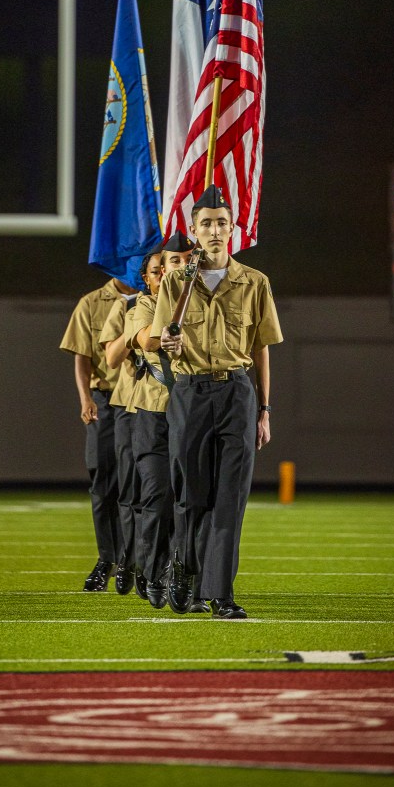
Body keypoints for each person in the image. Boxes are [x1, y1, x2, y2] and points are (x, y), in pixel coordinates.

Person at [149, 185, 283, 619]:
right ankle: (185, 572)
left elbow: (262, 348)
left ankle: (220, 593)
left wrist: (264, 409)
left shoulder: (255, 282)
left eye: (221, 223)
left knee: (231, 498)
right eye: (205, 223)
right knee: (192, 495)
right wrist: (167, 342)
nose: (214, 230)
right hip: (190, 391)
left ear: (232, 229)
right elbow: (159, 337)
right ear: (194, 230)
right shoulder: (176, 281)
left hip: (237, 393)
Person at [130, 233, 202, 610]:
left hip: (192, 411)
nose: (168, 273)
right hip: (155, 411)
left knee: (189, 500)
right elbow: (147, 339)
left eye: (180, 263)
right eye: (161, 269)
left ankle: (182, 574)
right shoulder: (145, 303)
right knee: (158, 497)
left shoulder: (201, 300)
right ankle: (153, 569)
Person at [59, 275, 137, 591]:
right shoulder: (91, 303)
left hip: (141, 399)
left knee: (141, 482)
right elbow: (82, 356)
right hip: (105, 398)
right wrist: (86, 399)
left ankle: (139, 561)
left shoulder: (155, 295)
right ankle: (108, 558)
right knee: (103, 481)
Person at [99, 290, 142, 596]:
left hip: (173, 405)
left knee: (168, 492)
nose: (164, 274)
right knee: (129, 488)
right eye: (156, 271)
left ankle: (159, 564)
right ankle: (129, 558)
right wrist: (137, 329)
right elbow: (112, 359)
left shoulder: (187, 301)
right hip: (130, 404)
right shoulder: (127, 305)